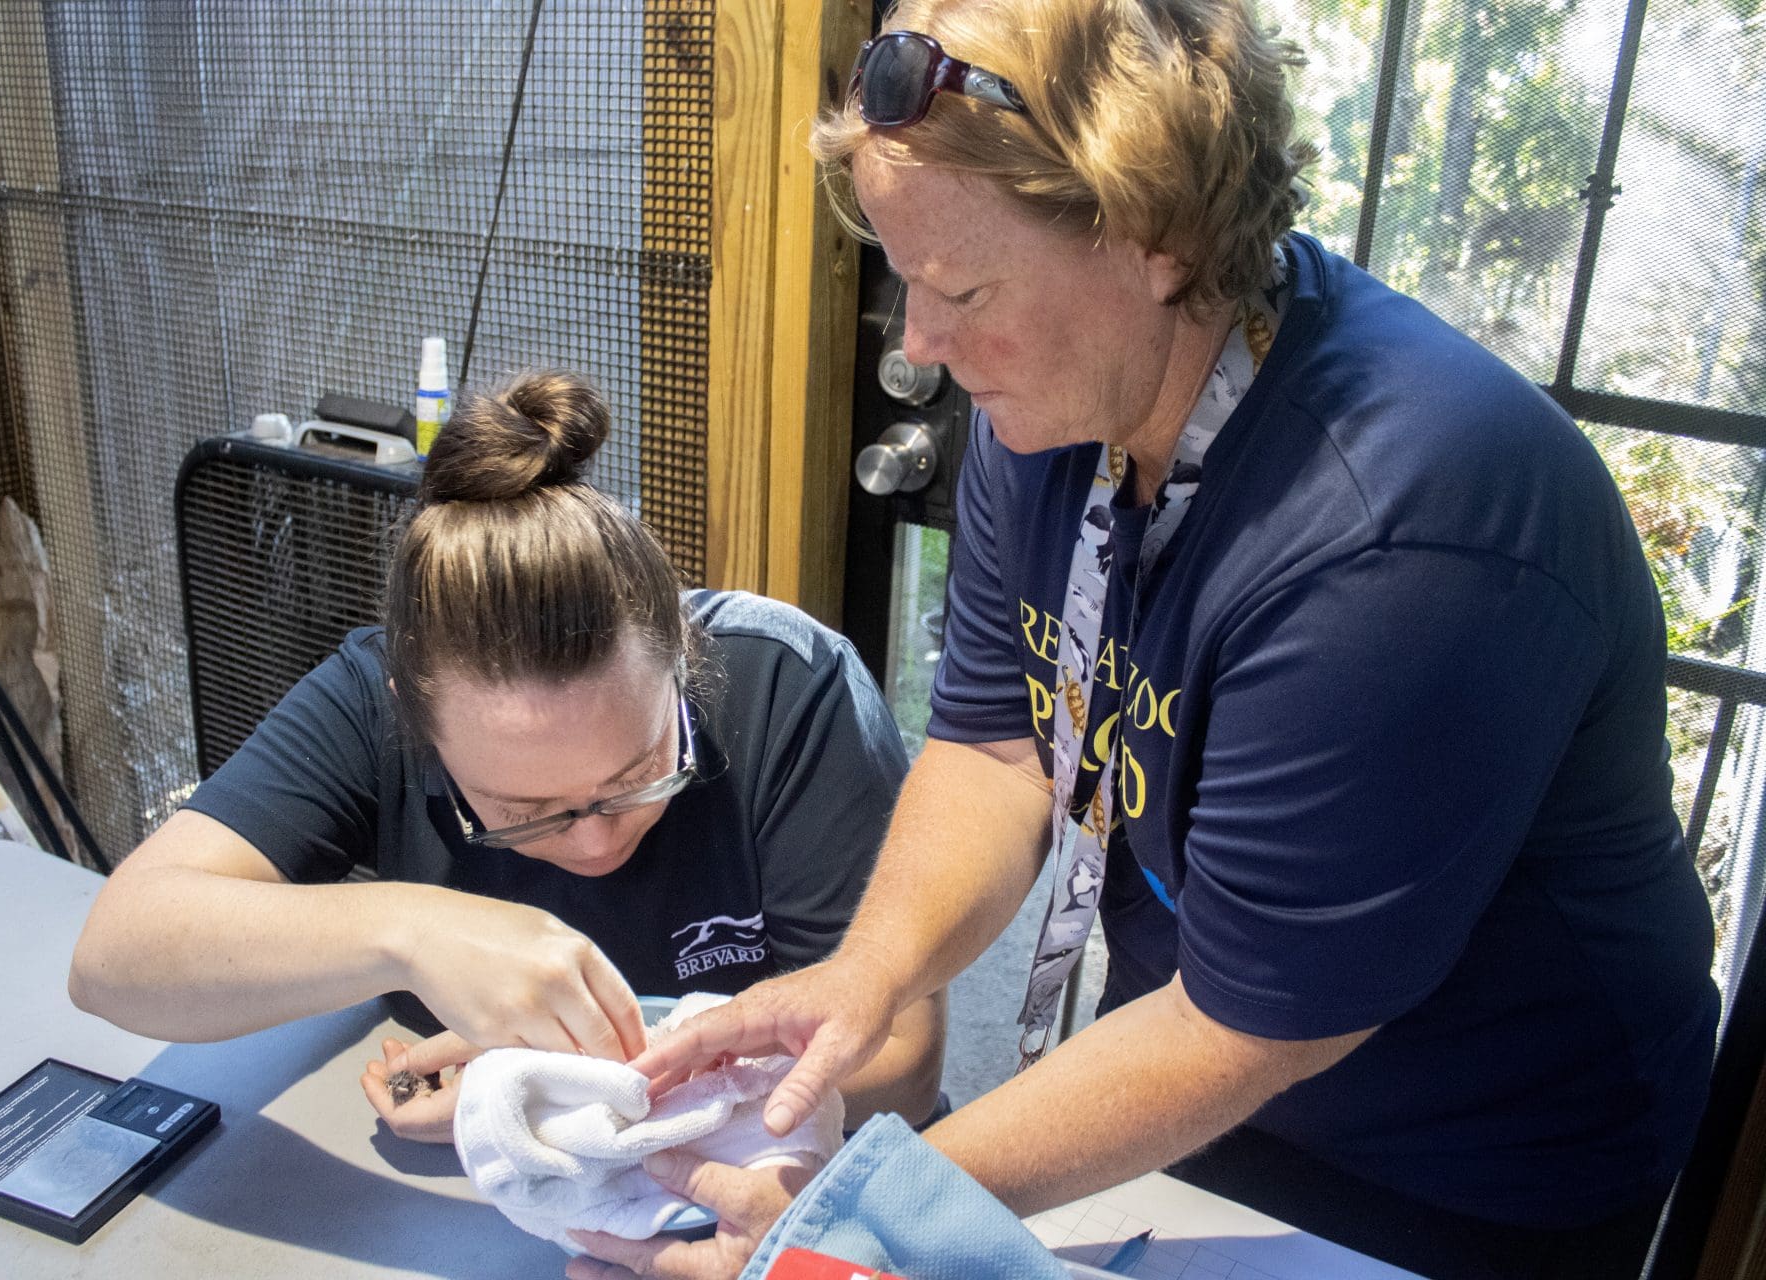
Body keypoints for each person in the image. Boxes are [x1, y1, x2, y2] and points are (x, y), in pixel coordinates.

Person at [574, 4, 1720, 1279]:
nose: (921, 345)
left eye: (960, 289)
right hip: (1183, 1072)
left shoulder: (1397, 531)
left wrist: (855, 1203)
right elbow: (998, 748)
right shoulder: (1060, 407)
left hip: (1465, 1161)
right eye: (906, 278)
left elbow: (1254, 1025)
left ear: (1157, 238)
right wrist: (869, 974)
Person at [68, 370, 944, 1146]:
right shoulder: (368, 697)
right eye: (524, 812)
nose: (597, 845)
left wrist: (561, 1093)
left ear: (683, 653)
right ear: (412, 718)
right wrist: (413, 932)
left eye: (639, 774)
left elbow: (902, 1065)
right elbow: (115, 960)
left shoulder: (790, 688)